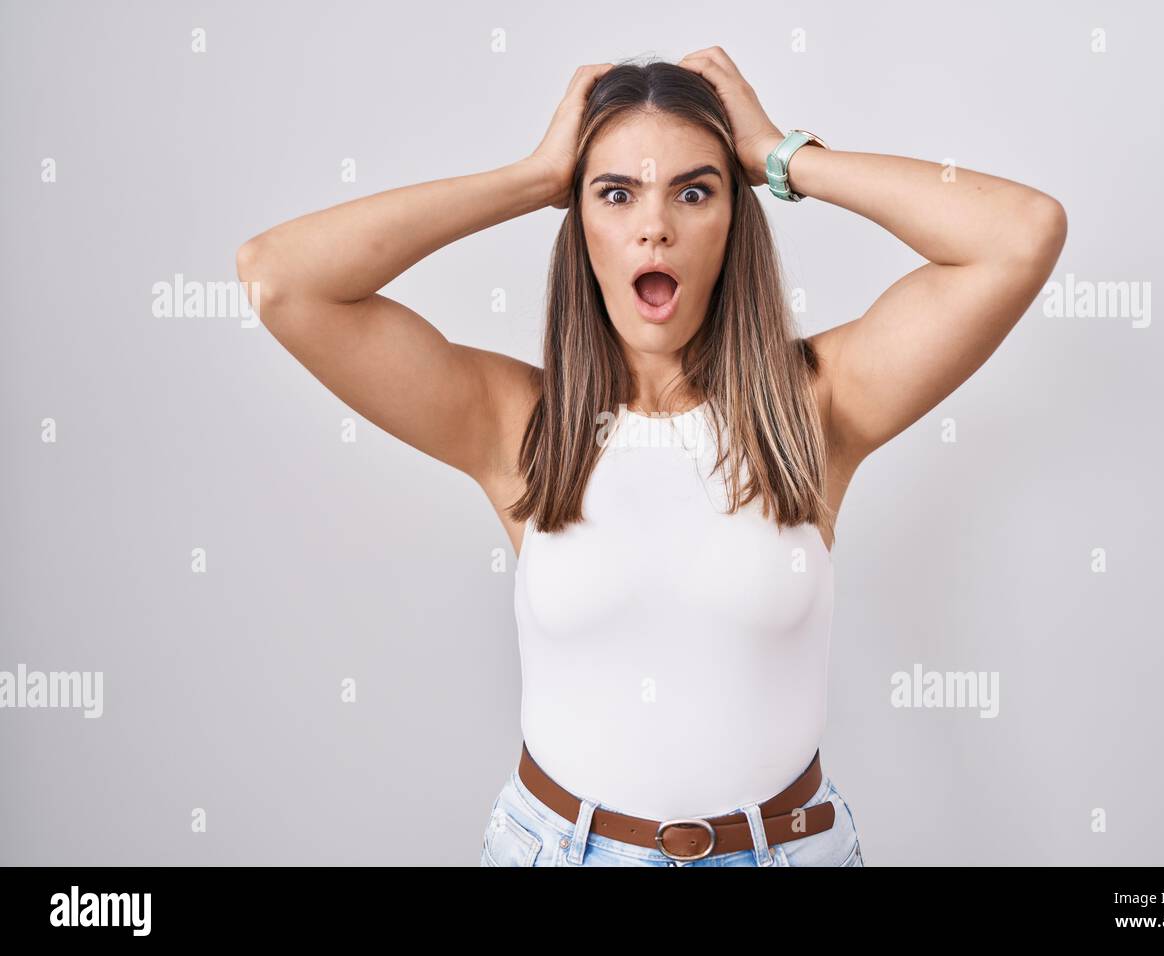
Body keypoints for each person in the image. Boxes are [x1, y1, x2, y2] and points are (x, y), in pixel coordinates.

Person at [236, 46, 1066, 867]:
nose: (654, 225)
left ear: (734, 219)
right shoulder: (517, 424)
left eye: (694, 191)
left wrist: (780, 156)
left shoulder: (814, 407)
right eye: (616, 194)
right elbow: (279, 278)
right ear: (581, 222)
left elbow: (1021, 234)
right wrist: (533, 180)